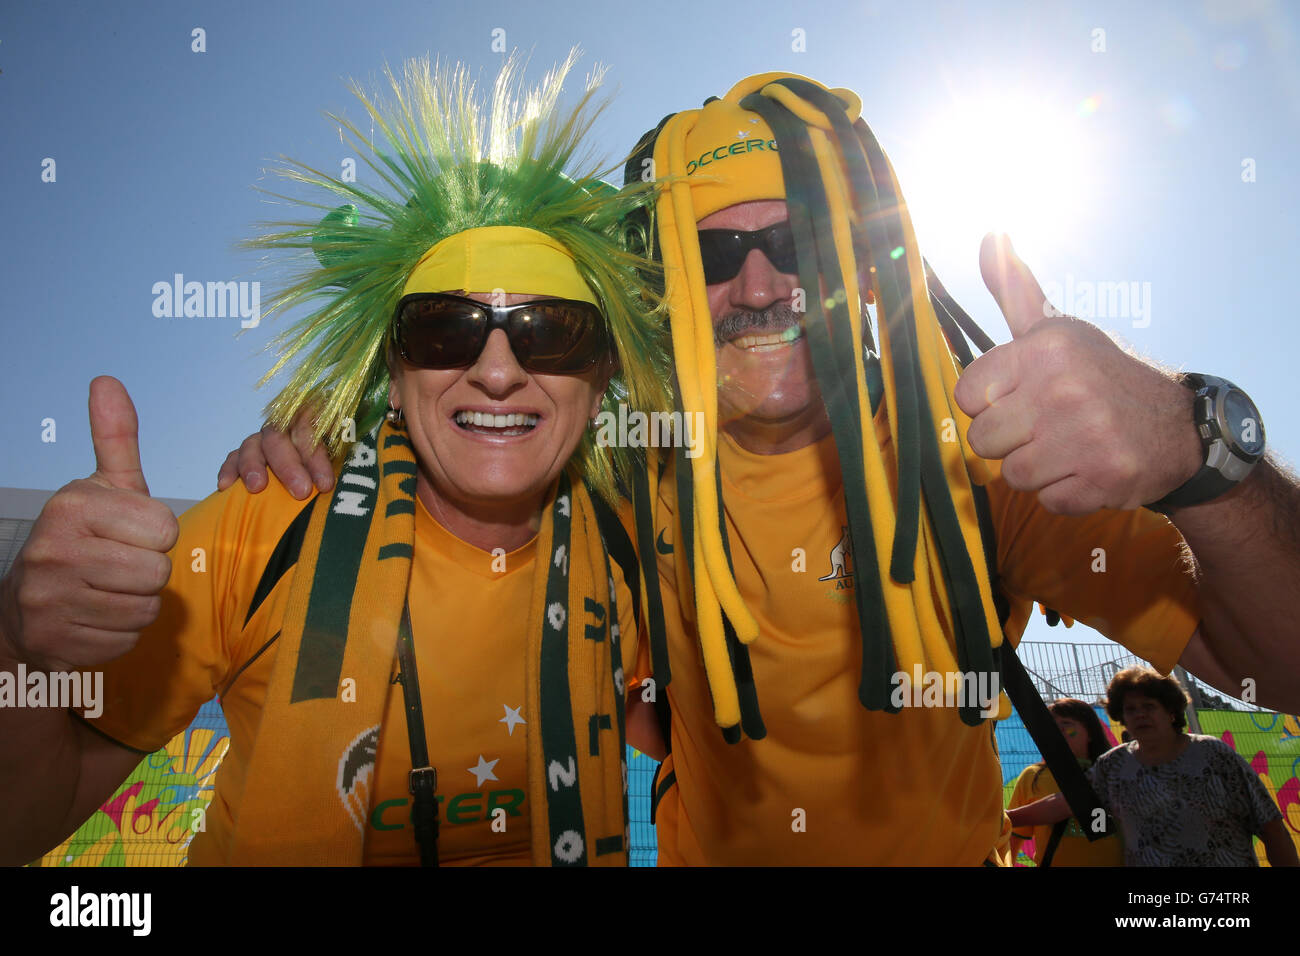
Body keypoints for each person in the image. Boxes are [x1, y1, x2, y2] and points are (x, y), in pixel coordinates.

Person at [222, 71, 1300, 865]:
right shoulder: (612, 485)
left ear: (861, 264)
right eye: (710, 253)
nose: (759, 283)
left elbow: (1278, 673)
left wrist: (1193, 446)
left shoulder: (979, 462)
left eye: (799, 246)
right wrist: (339, 444)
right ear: (660, 289)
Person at [0, 53, 672, 867]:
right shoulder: (266, 520)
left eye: (551, 331)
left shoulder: (639, 555)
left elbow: (713, 748)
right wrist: (18, 654)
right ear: (392, 373)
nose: (497, 371)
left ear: (601, 380)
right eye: (443, 327)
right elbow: (24, 826)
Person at [1008, 668, 1297, 866]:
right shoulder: (1116, 765)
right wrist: (1004, 818)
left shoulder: (1212, 754)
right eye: (1131, 709)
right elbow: (1066, 803)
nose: (1139, 715)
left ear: (1171, 711)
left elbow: (1270, 825)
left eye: (1148, 706)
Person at [1007, 699, 1123, 866]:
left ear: (1090, 732)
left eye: (1066, 724)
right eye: (1050, 726)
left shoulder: (1116, 771)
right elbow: (1012, 842)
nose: (1057, 731)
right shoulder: (1033, 777)